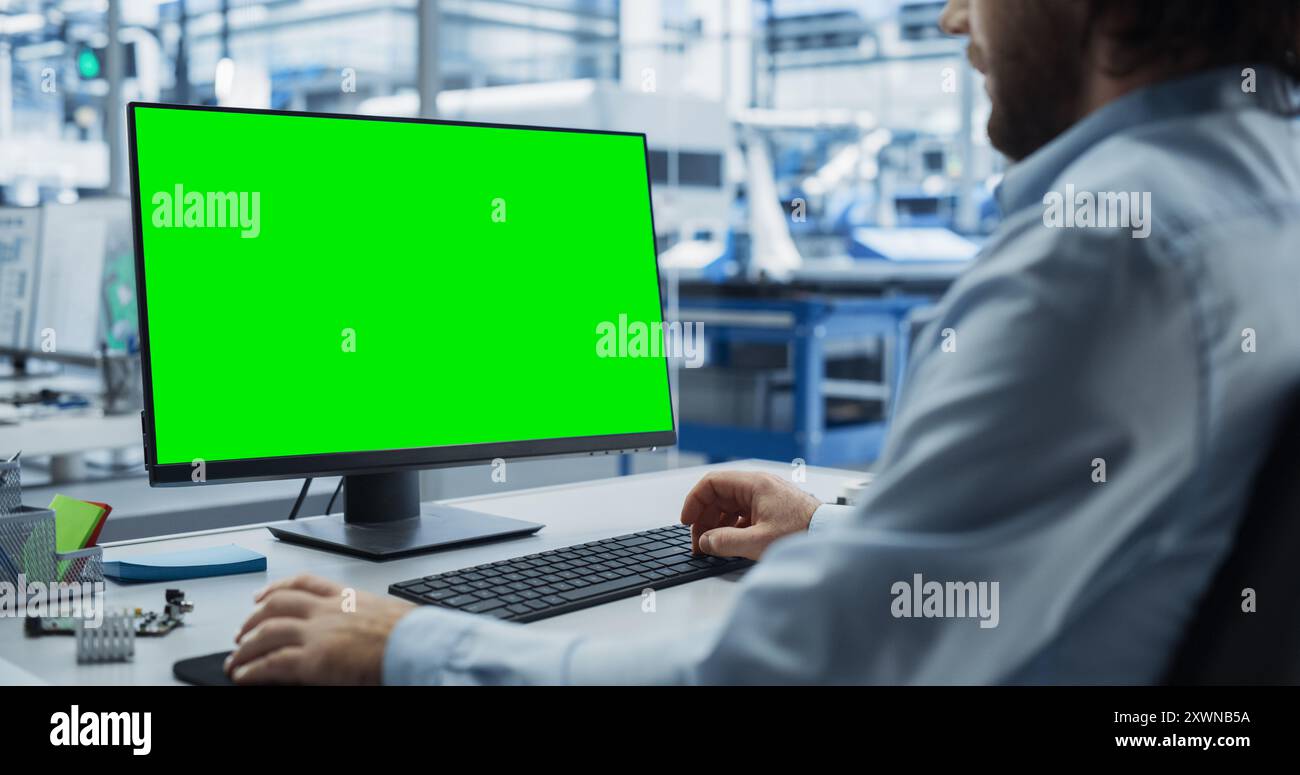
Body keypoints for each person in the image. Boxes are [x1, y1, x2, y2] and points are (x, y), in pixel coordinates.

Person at [225, 0, 1300, 684]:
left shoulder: (1105, 248)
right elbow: (1096, 523)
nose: (951, 22)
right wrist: (854, 530)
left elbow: (776, 676)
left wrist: (405, 647)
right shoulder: (1258, 187)